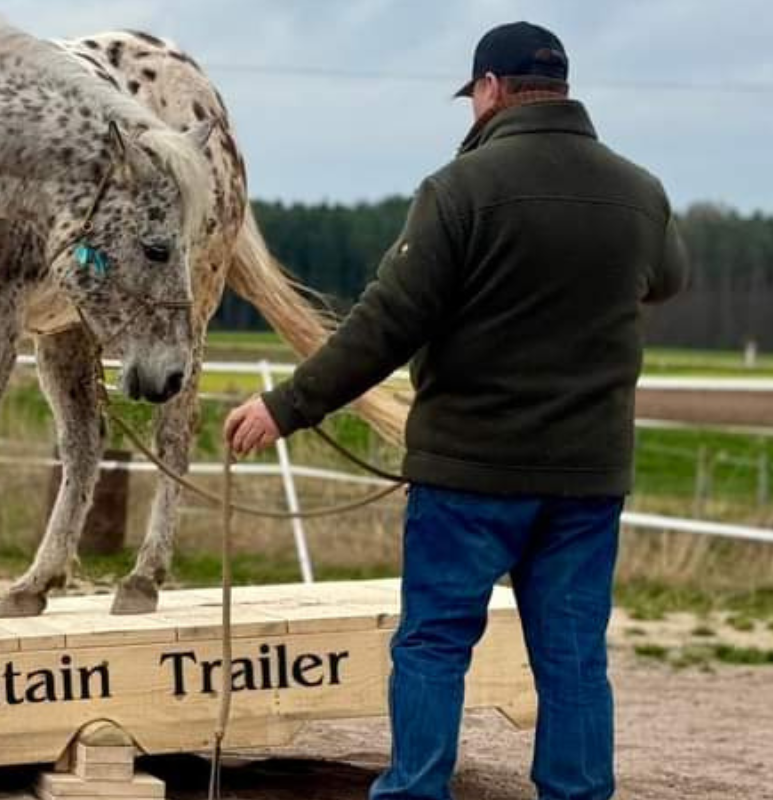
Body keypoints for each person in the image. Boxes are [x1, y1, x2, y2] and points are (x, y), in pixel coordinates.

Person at [223, 21, 688, 800]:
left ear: (491, 90)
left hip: (470, 472)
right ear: (562, 90)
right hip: (586, 475)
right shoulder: (639, 192)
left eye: (473, 95)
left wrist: (286, 407)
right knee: (574, 658)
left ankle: (414, 792)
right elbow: (664, 279)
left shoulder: (459, 190)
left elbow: (385, 324)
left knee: (435, 645)